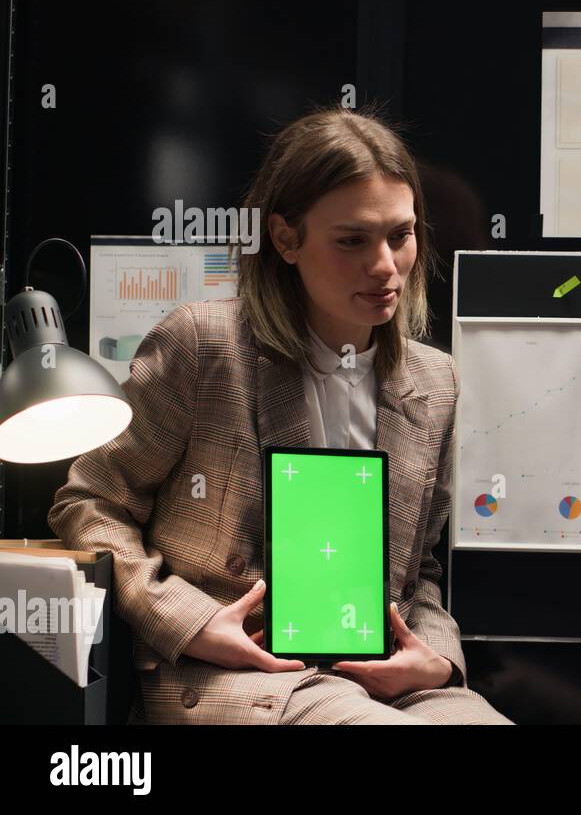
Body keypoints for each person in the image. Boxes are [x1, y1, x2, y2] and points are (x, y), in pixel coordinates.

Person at [48, 107, 509, 724]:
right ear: (286, 238)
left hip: (380, 679)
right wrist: (192, 621)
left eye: (400, 235)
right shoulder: (204, 347)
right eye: (352, 240)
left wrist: (439, 658)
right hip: (238, 676)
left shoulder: (434, 381)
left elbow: (416, 567)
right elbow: (89, 504)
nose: (384, 265)